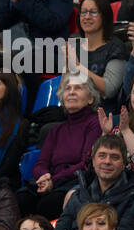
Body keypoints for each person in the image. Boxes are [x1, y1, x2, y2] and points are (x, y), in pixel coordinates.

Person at [20, 74, 103, 219]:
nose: (71, 92)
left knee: (49, 203)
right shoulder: (55, 130)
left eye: (78, 88)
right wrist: (43, 177)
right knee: (22, 199)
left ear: (90, 98)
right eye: (67, 88)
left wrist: (54, 180)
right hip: (53, 181)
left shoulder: (95, 124)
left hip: (77, 180)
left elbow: (86, 163)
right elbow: (41, 163)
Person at [55, 134, 134, 230]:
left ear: (124, 164)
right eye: (102, 156)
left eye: (114, 157)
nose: (107, 161)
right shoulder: (78, 195)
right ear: (93, 161)